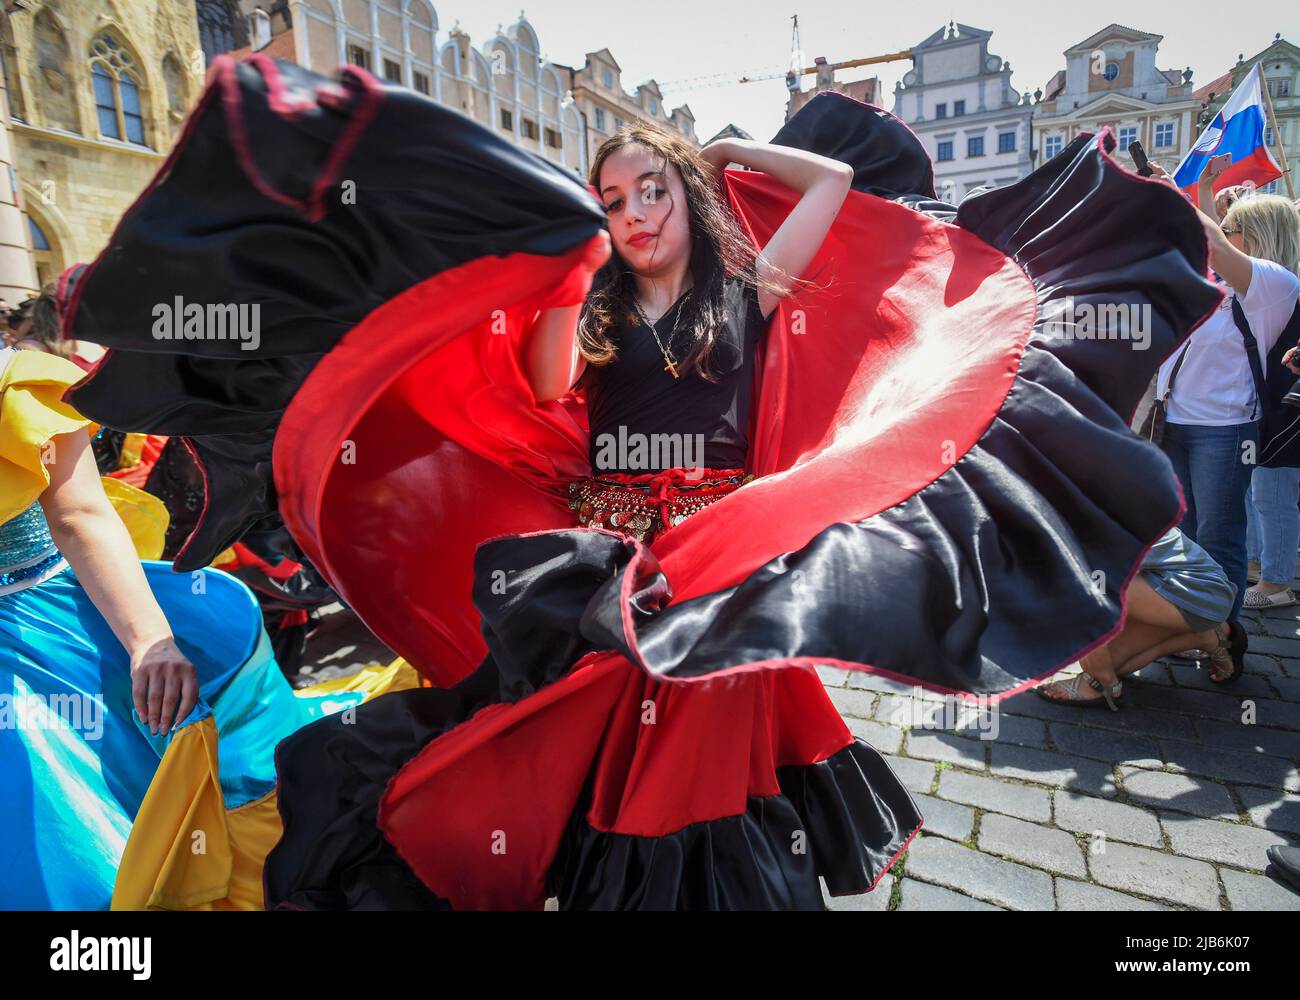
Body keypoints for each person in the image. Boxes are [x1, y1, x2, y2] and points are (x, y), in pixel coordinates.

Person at [57, 57, 1221, 910]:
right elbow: (545, 384)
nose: (634, 213)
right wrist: (561, 271)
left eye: (648, 193)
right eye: (614, 202)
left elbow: (820, 186)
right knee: (597, 738)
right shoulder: (598, 310)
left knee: (689, 749)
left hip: (716, 552)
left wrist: (717, 157)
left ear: (682, 200)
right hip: (611, 557)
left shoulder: (748, 288)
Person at [0, 343, 413, 909]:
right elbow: (80, 518)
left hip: (60, 635)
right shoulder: (18, 382)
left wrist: (151, 640)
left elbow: (81, 519)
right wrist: (149, 641)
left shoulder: (17, 385)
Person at [1148, 162, 1300, 629]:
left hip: (1225, 430)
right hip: (1173, 422)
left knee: (1218, 537)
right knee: (1183, 537)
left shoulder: (1274, 283)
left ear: (1255, 235)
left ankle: (1224, 635)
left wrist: (1176, 191)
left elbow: (1208, 241)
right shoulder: (1215, 282)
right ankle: (1187, 623)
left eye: (1230, 224)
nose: (1221, 230)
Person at [1036, 527, 1244, 707]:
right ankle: (1206, 636)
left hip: (1197, 592)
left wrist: (1103, 678)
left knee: (1098, 662)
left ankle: (1101, 685)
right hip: (1173, 587)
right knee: (1115, 663)